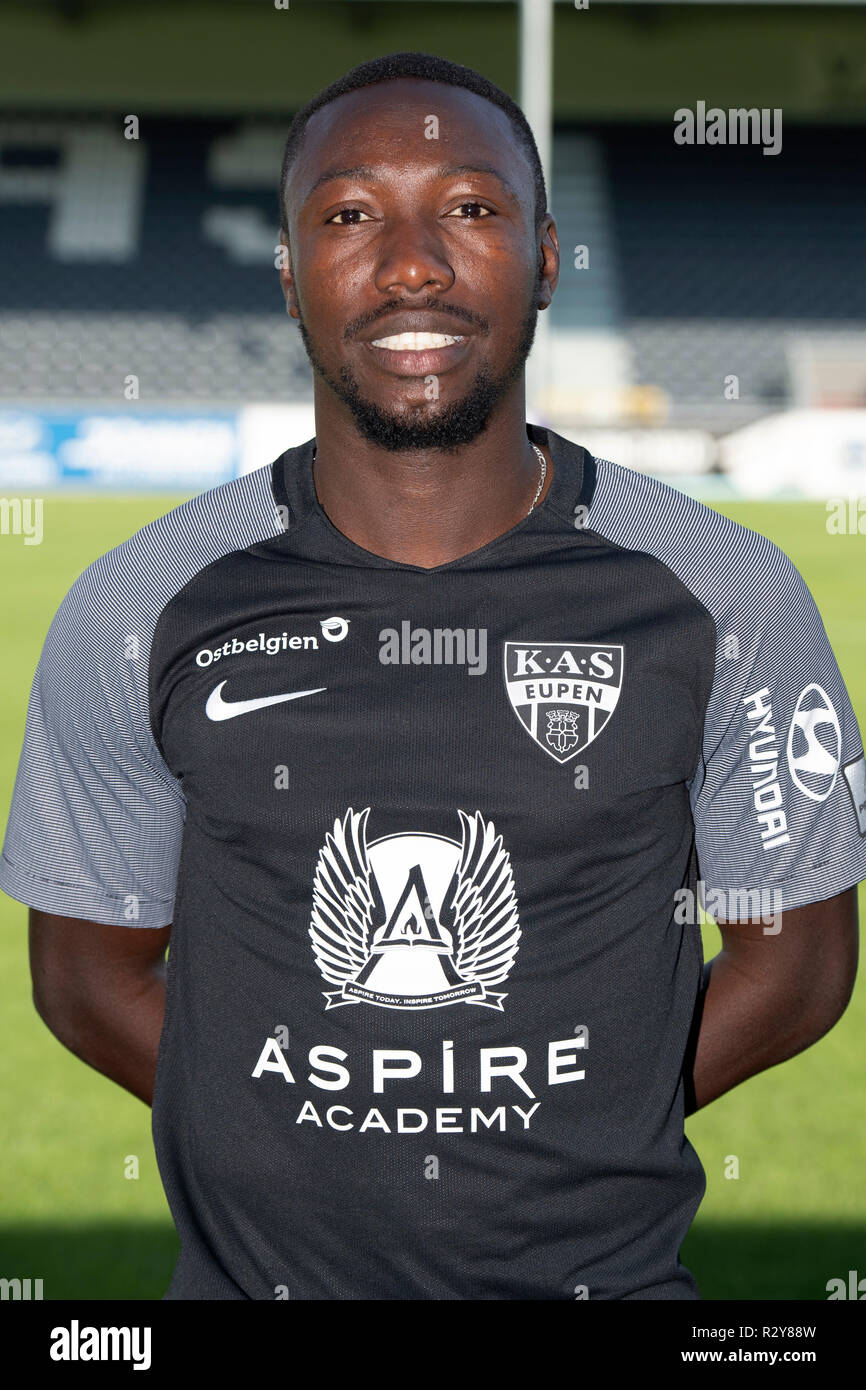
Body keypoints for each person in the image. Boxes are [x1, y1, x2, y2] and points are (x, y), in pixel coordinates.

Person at [3, 51, 864, 1302]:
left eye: (469, 207)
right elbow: (85, 978)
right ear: (290, 273)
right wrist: (299, 1134)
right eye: (350, 216)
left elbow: (795, 963)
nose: (412, 264)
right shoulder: (137, 607)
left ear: (550, 255)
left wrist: (569, 1123)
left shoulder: (727, 592)